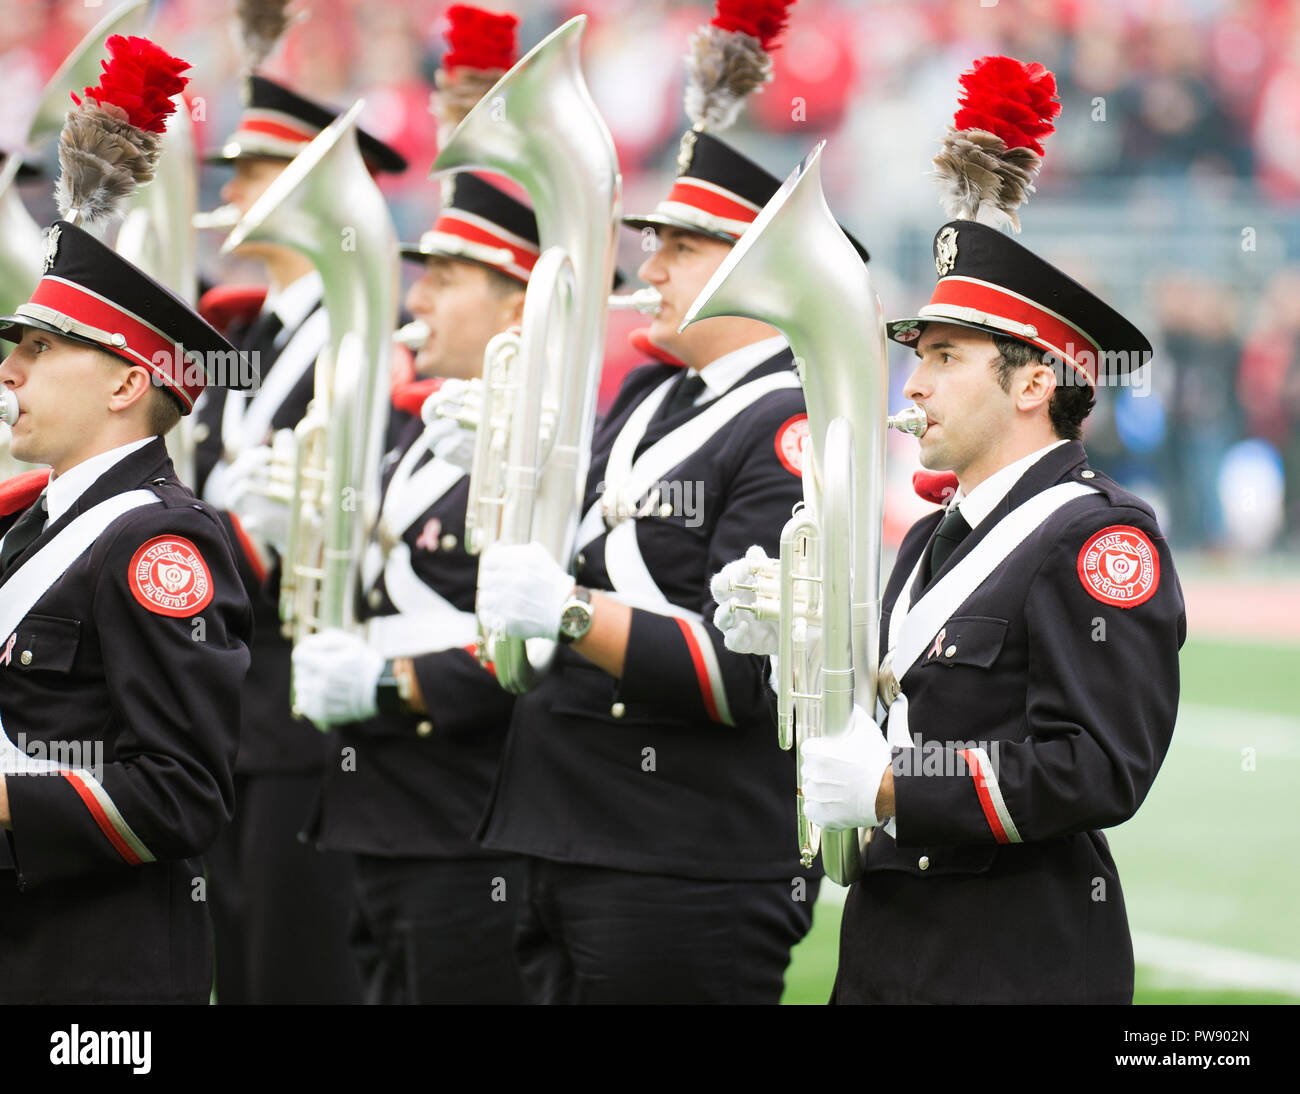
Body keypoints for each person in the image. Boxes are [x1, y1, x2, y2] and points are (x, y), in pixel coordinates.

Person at [717, 215, 1187, 1003]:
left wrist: (900, 787)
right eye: (917, 357)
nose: (913, 385)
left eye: (944, 357)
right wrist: (790, 651)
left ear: (1034, 383)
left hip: (1013, 959)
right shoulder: (933, 536)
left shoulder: (1099, 536)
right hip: (889, 940)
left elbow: (1100, 767)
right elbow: (911, 714)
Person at [471, 129, 870, 1003]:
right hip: (563, 825)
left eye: (681, 249)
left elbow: (747, 676)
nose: (648, 270)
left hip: (681, 855)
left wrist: (571, 612)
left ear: (755, 272)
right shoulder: (652, 395)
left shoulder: (793, 427)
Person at [288, 173, 535, 1003]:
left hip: (466, 820)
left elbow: (531, 645)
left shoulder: (546, 444)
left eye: (443, 277)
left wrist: (388, 684)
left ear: (516, 307)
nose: (415, 296)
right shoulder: (416, 427)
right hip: (378, 809)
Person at [193, 73, 408, 1005]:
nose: (232, 191)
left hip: (301, 699)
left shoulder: (365, 332)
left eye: (256, 172)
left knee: (296, 970)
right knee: (230, 967)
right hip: (224, 704)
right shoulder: (252, 333)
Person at [0, 219, 254, 1003]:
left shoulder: (160, 540)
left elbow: (183, 793)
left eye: (40, 349)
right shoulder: (31, 523)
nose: (9, 372)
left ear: (125, 384)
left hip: (90, 966)